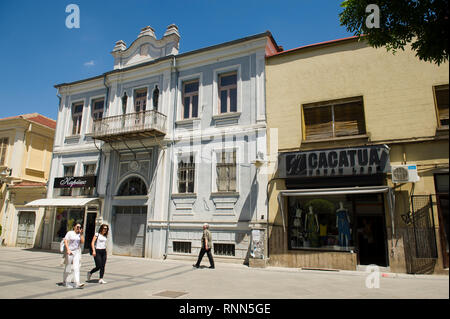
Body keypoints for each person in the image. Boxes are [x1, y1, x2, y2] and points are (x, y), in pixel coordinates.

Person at [62, 223, 85, 289]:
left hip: (77, 252)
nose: (78, 228)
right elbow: (66, 241)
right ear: (74, 227)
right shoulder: (70, 233)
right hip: (70, 251)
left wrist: (81, 234)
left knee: (76, 267)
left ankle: (77, 282)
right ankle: (65, 280)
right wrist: (68, 250)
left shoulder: (79, 234)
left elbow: (82, 242)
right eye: (77, 227)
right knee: (68, 267)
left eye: (80, 227)